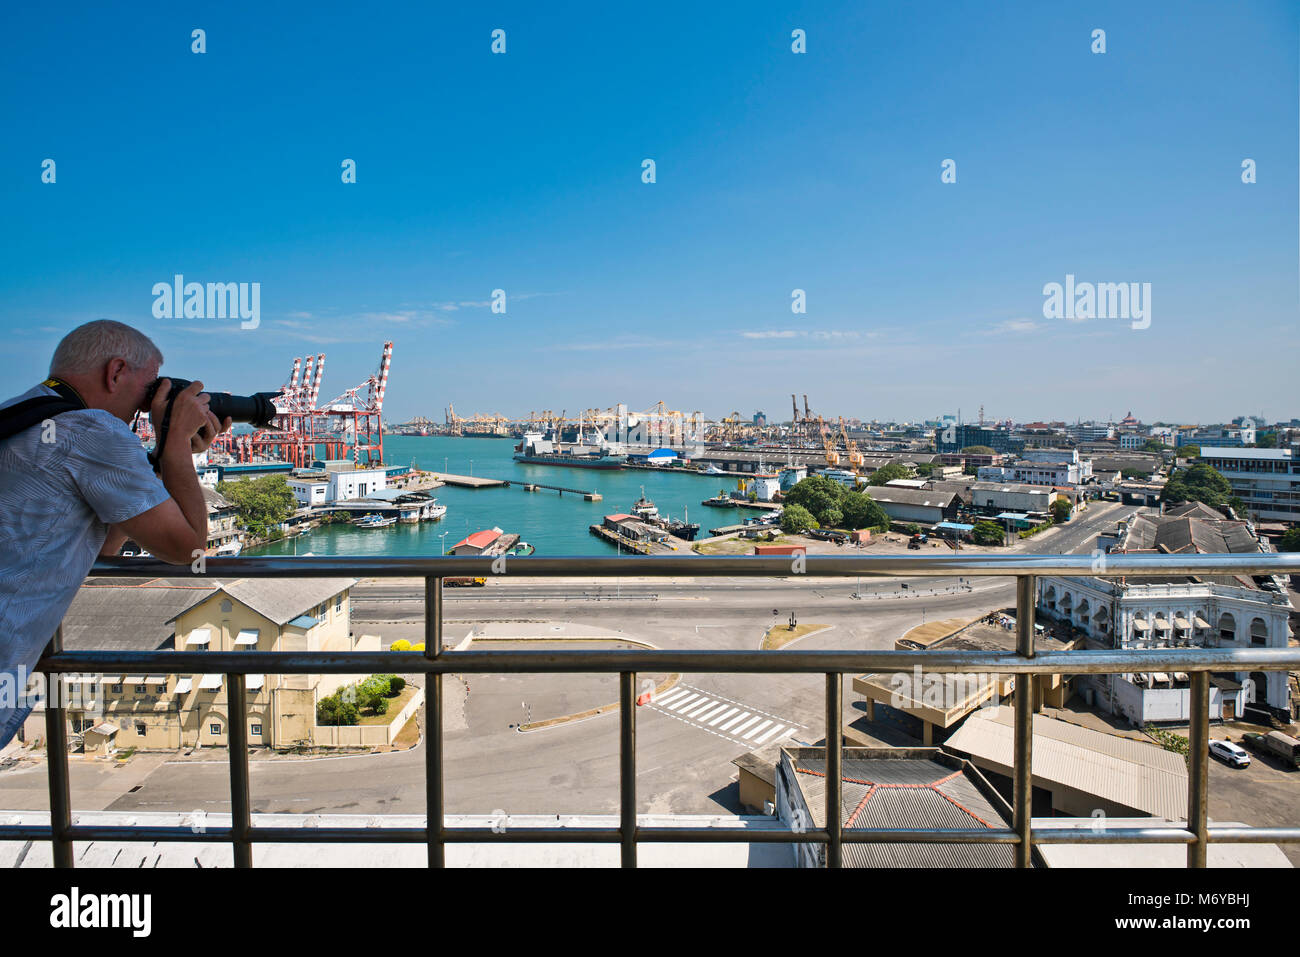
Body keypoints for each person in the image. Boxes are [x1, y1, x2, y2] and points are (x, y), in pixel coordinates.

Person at [0, 320, 231, 749]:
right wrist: (177, 444)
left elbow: (107, 541)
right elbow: (188, 548)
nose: (145, 409)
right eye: (149, 391)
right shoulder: (93, 430)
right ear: (116, 372)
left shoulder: (20, 413)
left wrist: (164, 454)